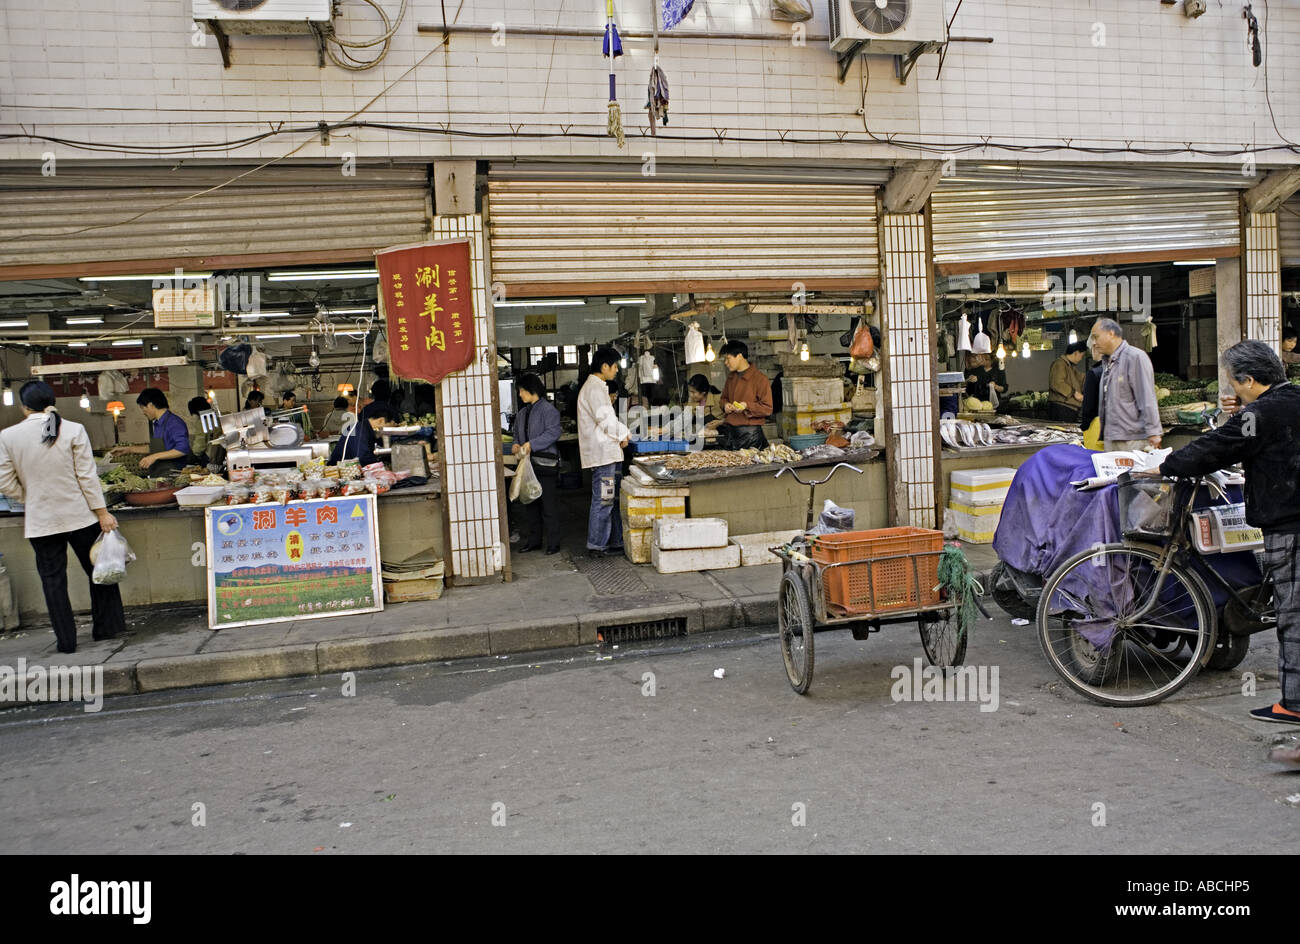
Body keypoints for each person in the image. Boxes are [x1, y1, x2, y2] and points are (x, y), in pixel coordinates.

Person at [1150, 341, 1300, 728]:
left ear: (1249, 380)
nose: (1232, 390)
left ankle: (1295, 705)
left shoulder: (1261, 413)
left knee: (1294, 616)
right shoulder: (1287, 399)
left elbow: (1216, 447)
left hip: (1291, 525)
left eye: (1235, 382)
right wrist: (1247, 412)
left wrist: (1168, 465)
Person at [0, 381, 124, 653]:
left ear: (24, 407)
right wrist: (102, 512)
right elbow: (87, 477)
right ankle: (107, 629)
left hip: (41, 521)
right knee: (98, 571)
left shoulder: (8, 436)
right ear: (52, 401)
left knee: (53, 582)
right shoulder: (73, 430)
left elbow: (5, 482)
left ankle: (66, 642)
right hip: (80, 515)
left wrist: (28, 497)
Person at [578, 347, 630, 558]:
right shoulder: (593, 389)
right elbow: (606, 420)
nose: (617, 370)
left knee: (612, 499)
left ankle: (615, 541)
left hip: (608, 455)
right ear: (604, 366)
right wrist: (625, 434)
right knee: (604, 500)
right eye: (615, 366)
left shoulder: (599, 387)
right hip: (603, 457)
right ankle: (596, 545)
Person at [1090, 317, 1162, 452]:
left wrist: (1153, 431)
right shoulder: (1107, 362)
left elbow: (1147, 397)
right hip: (1111, 436)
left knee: (1134, 474)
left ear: (1110, 334)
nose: (1094, 342)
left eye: (1096, 337)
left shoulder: (1135, 357)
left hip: (1132, 438)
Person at [511, 374, 563, 555]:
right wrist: (516, 444)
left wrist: (532, 444)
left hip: (545, 464)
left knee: (548, 505)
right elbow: (516, 435)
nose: (520, 395)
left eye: (522, 391)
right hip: (527, 465)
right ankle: (534, 541)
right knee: (530, 503)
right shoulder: (522, 413)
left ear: (532, 389)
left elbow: (554, 432)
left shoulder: (549, 410)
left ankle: (553, 543)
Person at [111, 388, 192, 474]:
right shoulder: (158, 423)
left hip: (173, 475)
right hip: (160, 475)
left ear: (150, 405)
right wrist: (128, 449)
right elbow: (155, 448)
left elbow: (183, 449)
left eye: (142, 408)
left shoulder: (174, 423)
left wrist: (154, 457)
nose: (143, 412)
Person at [717, 340, 773, 449]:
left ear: (739, 356)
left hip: (751, 436)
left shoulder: (760, 379)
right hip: (730, 433)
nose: (725, 363)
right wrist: (725, 405)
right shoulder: (731, 378)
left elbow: (767, 408)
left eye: (728, 358)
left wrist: (747, 406)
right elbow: (723, 399)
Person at [328, 403, 395, 465]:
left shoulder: (366, 429)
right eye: (390, 427)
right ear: (381, 421)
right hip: (341, 471)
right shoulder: (358, 430)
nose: (389, 432)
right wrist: (382, 462)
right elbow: (362, 458)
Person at [1048, 341, 1089, 422]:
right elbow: (1057, 383)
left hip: (1069, 409)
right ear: (1076, 353)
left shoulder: (1070, 367)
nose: (1081, 359)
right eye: (1082, 355)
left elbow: (1081, 378)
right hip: (1061, 408)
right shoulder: (1059, 363)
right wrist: (1074, 393)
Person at [186, 395, 213, 459]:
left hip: (210, 457)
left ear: (197, 411)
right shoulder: (217, 416)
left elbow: (199, 447)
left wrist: (193, 453)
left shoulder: (203, 422)